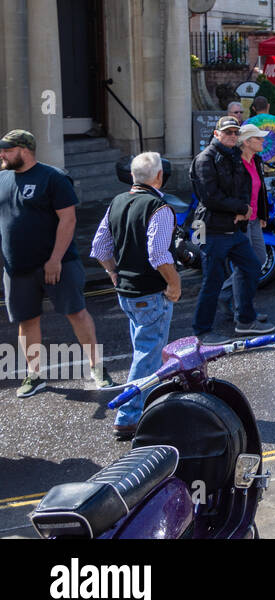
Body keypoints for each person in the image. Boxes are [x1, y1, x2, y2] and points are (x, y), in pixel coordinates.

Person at [0, 129, 116, 397]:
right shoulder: (3, 178)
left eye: (7, 149)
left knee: (76, 313)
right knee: (26, 320)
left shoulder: (53, 178)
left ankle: (97, 368)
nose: (2, 154)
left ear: (24, 150)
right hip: (17, 269)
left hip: (57, 265)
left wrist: (54, 260)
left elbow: (68, 220)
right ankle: (34, 375)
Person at [90, 151, 180, 439]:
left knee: (147, 351)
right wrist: (174, 283)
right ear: (159, 176)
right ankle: (127, 417)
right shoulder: (159, 207)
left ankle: (151, 405)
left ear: (132, 176)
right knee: (147, 356)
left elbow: (100, 247)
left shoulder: (117, 202)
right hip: (150, 292)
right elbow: (158, 254)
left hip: (126, 292)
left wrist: (114, 273)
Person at [189, 116, 274, 338]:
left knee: (252, 267)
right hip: (212, 228)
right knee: (212, 280)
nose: (232, 136)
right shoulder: (204, 159)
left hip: (233, 227)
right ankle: (202, 331)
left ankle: (245, 320)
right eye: (227, 132)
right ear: (217, 134)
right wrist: (239, 208)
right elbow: (209, 197)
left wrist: (244, 210)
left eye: (235, 133)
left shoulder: (234, 157)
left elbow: (245, 187)